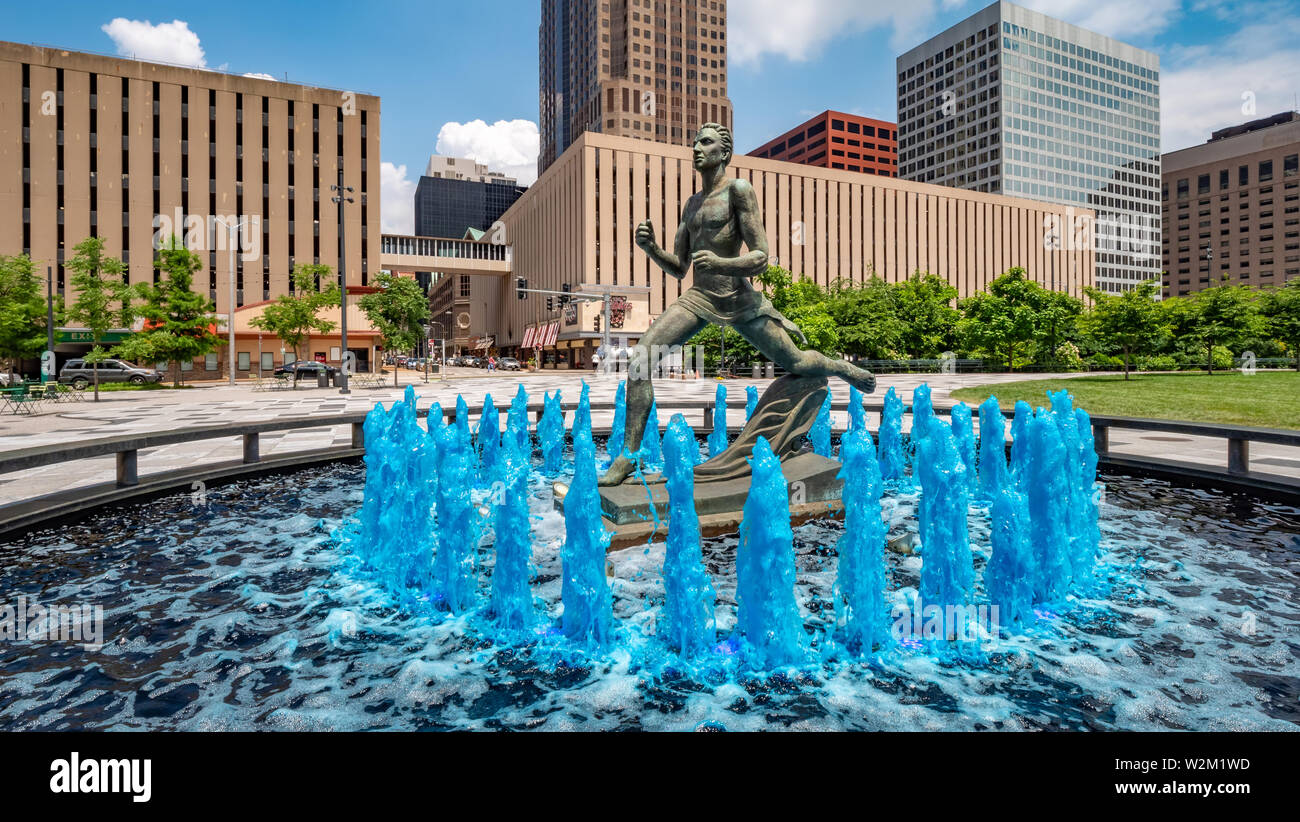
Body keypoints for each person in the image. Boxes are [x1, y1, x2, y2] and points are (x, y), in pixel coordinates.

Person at [599, 122, 877, 486]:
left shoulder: (739, 190)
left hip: (738, 298)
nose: (696, 148)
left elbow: (761, 256)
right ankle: (629, 457)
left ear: (724, 152)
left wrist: (722, 264)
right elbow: (680, 268)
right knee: (640, 358)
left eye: (706, 142)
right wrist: (651, 249)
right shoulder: (692, 204)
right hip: (699, 298)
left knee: (794, 361)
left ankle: (840, 367)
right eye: (694, 142)